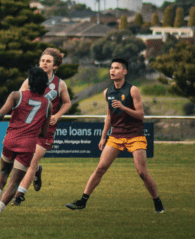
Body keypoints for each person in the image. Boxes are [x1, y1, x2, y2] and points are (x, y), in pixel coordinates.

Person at [65, 58, 164, 213]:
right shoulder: (107, 92)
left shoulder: (133, 90)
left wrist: (124, 108)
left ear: (124, 72)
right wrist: (103, 137)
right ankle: (82, 201)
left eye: (116, 68)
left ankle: (157, 201)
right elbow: (109, 116)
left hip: (135, 136)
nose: (112, 71)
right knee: (100, 168)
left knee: (141, 172)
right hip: (116, 136)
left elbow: (141, 115)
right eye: (111, 68)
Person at [0, 66, 51, 227]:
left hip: (10, 141)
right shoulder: (47, 104)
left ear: (29, 81)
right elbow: (44, 133)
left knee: (3, 170)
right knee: (14, 183)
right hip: (27, 146)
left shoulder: (16, 95)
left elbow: (0, 114)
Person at [12, 48, 72, 206]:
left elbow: (67, 103)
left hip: (46, 128)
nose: (44, 63)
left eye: (48, 61)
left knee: (31, 160)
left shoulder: (59, 84)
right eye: (42, 61)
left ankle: (19, 195)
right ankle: (37, 171)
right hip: (29, 128)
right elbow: (19, 100)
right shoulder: (29, 81)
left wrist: (56, 116)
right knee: (24, 160)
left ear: (55, 66)